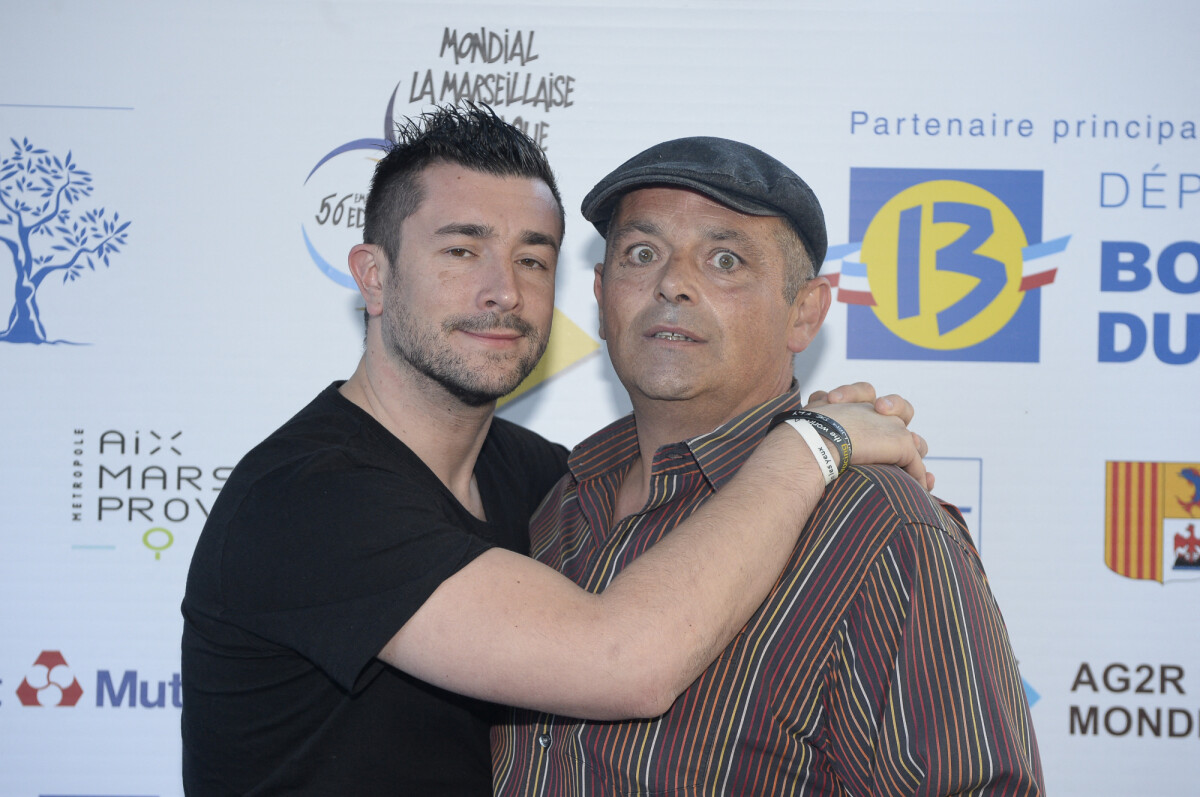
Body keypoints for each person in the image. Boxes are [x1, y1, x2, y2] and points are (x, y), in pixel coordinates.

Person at [179, 106, 928, 796]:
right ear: (374, 276)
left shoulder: (553, 483)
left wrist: (806, 440)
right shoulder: (305, 497)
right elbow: (619, 660)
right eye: (462, 249)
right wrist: (811, 445)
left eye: (533, 259)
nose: (502, 289)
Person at [492, 136, 1045, 795]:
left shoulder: (879, 526)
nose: (672, 282)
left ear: (805, 312)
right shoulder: (555, 505)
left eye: (725, 260)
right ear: (601, 291)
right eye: (643, 254)